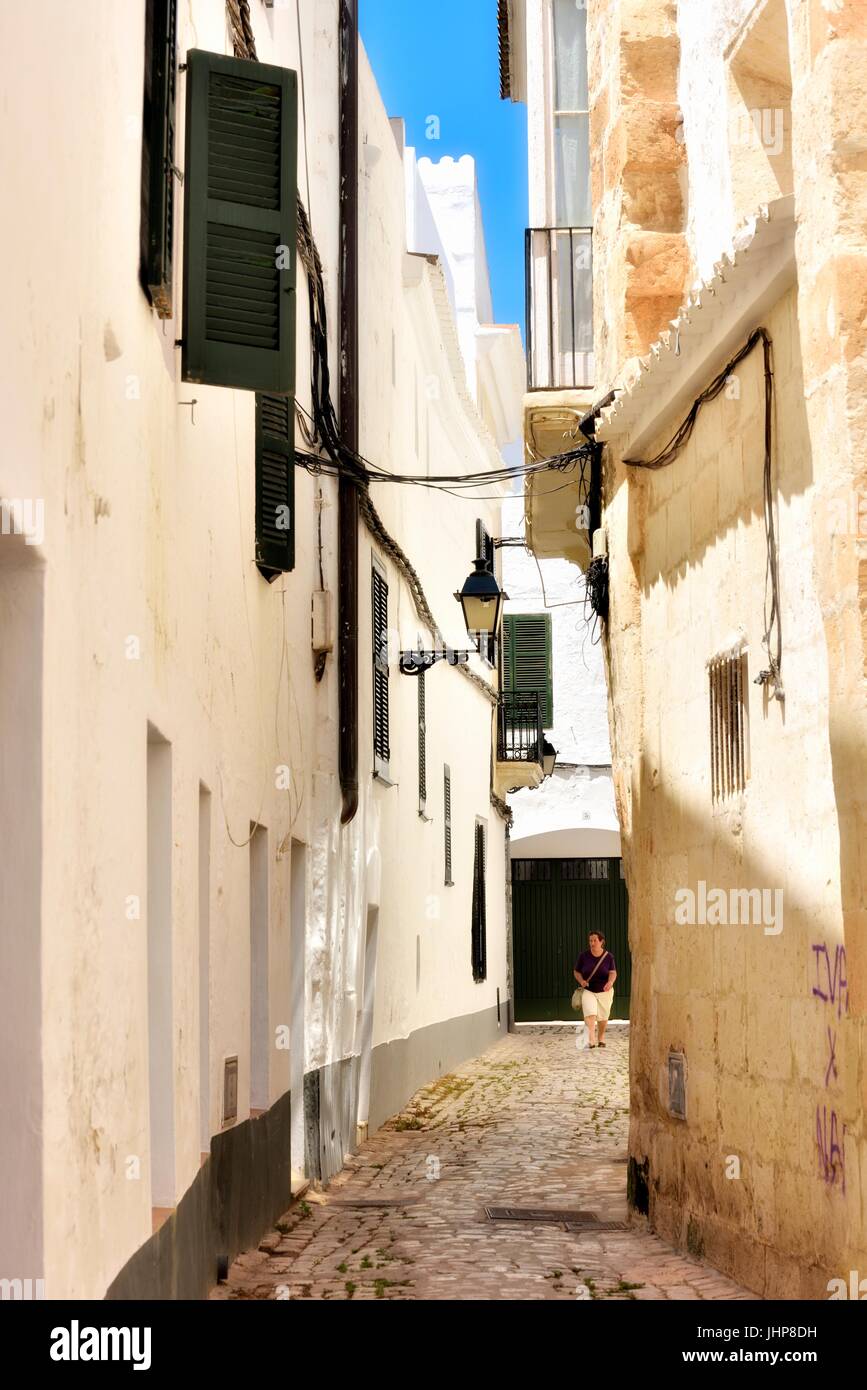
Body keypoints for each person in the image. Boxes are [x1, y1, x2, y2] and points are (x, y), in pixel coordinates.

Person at [573, 931, 617, 1048]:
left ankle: (601, 1037)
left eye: (595, 940)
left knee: (603, 1017)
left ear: (601, 942)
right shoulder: (583, 956)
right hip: (589, 990)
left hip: (605, 991)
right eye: (590, 940)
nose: (592, 943)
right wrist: (581, 980)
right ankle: (591, 1039)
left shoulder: (608, 957)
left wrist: (610, 982)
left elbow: (613, 972)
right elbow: (576, 971)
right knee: (590, 1014)